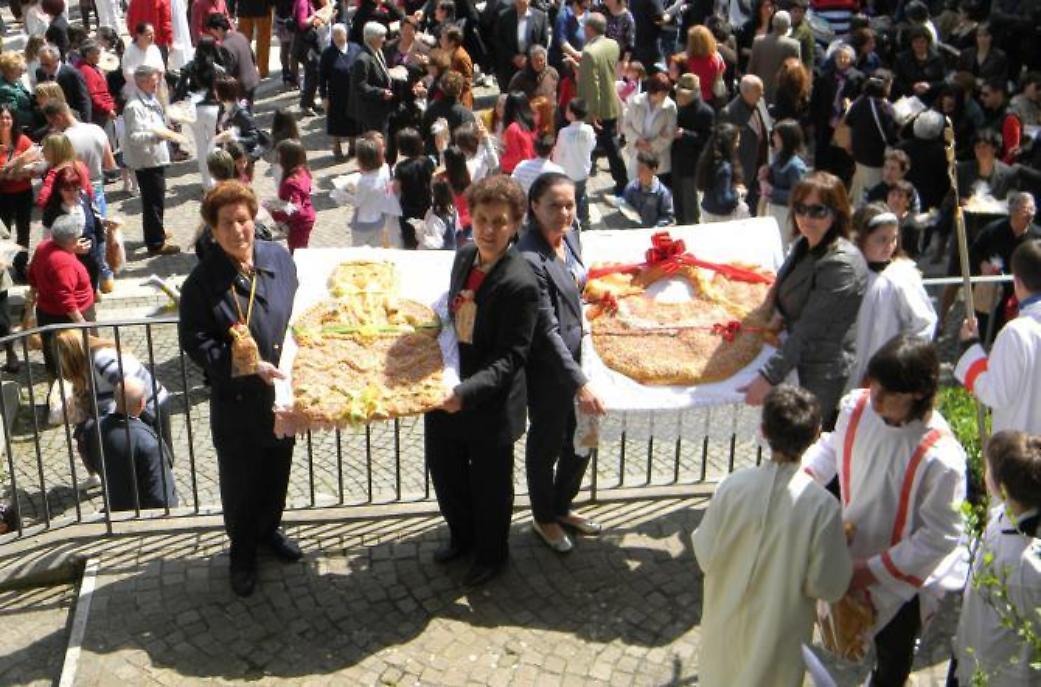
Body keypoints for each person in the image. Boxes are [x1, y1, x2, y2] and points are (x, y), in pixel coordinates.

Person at [802, 336, 967, 687]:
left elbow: (940, 535)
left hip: (900, 579)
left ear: (917, 394)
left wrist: (870, 571)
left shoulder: (941, 457)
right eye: (873, 386)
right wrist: (796, 481)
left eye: (886, 393)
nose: (873, 398)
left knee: (893, 653)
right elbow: (833, 449)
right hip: (850, 552)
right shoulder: (857, 408)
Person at [179, 182, 301, 598]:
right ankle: (242, 553)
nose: (238, 230)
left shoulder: (278, 258)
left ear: (254, 221)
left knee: (276, 473)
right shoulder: (201, 283)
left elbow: (299, 308)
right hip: (238, 404)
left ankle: (269, 532)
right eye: (227, 223)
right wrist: (245, 365)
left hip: (282, 397)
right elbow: (195, 340)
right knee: (242, 483)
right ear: (213, 229)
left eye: (244, 220)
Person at [694, 384, 852, 687]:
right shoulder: (822, 507)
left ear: (763, 430)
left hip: (724, 626)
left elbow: (705, 553)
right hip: (779, 639)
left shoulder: (731, 486)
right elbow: (828, 585)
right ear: (817, 434)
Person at [425, 174, 538, 587]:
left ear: (516, 225)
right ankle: (461, 536)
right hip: (447, 388)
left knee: (490, 487)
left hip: (488, 402)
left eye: (500, 222)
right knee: (447, 472)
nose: (489, 230)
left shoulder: (520, 283)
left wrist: (465, 393)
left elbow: (512, 357)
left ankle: (492, 554)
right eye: (483, 219)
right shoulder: (463, 255)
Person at [518, 172, 605, 554]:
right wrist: (580, 383)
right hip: (549, 369)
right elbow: (546, 329)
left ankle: (562, 503)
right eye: (554, 205)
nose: (564, 213)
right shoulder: (528, 256)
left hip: (582, 354)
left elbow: (579, 285)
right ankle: (543, 517)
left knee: (584, 436)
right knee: (547, 441)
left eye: (569, 204)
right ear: (534, 207)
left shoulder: (571, 235)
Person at [741, 171, 867, 429]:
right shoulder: (804, 244)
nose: (806, 217)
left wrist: (767, 377)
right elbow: (782, 288)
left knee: (806, 444)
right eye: (800, 208)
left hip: (820, 373)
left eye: (817, 210)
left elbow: (810, 328)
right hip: (795, 358)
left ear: (836, 212)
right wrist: (774, 315)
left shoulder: (840, 265)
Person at [951, 430, 1041, 686]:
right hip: (973, 654)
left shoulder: (1025, 568)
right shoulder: (1004, 514)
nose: (984, 471)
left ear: (1001, 486)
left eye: (988, 467)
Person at [956, 239, 1041, 434]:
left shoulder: (1017, 333)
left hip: (1022, 450)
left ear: (1017, 281)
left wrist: (970, 347)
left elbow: (995, 393)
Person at [848, 204, 936, 389]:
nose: (889, 246)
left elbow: (923, 324)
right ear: (860, 238)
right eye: (881, 239)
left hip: (885, 374)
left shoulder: (901, 277)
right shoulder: (848, 273)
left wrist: (897, 364)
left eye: (893, 239)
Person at [27, 211, 97, 378]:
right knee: (77, 358)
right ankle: (79, 391)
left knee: (54, 357)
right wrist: (83, 323)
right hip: (68, 317)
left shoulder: (44, 246)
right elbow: (65, 298)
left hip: (47, 312)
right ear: (70, 240)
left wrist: (73, 250)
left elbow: (32, 273)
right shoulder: (62, 263)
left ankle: (57, 382)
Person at [122, 65, 182, 256]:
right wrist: (158, 136)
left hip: (154, 157)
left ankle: (158, 231)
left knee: (157, 198)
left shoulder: (149, 97)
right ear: (141, 82)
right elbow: (133, 137)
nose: (157, 84)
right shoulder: (134, 107)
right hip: (146, 161)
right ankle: (155, 242)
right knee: (153, 202)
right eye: (153, 81)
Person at [966, 192, 1041, 339]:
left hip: (1022, 290)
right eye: (1026, 209)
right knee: (987, 328)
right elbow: (974, 250)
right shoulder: (993, 230)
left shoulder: (1037, 236)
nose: (1030, 214)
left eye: (1033, 209)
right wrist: (983, 264)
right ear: (1014, 211)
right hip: (993, 289)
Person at [96, 380, 178, 511]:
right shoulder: (149, 445)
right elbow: (162, 499)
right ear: (142, 403)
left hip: (117, 508)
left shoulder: (98, 429)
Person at [576, 13, 627, 196]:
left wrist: (593, 114)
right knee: (612, 146)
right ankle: (621, 181)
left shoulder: (589, 52)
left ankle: (622, 182)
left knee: (610, 147)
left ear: (589, 29)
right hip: (611, 102)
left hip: (598, 110)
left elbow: (593, 86)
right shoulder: (613, 45)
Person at [845, 72, 897, 208]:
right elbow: (890, 136)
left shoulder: (859, 102)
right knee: (872, 191)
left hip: (858, 153)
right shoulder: (884, 109)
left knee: (859, 186)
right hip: (875, 157)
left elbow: (849, 122)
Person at [720, 74, 771, 212]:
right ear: (745, 92)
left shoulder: (759, 103)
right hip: (743, 171)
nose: (762, 94)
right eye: (758, 91)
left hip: (759, 168)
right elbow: (725, 148)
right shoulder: (730, 113)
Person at [0, 104, 38, 281]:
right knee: (4, 232)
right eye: (1, 118)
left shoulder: (22, 140)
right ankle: (4, 267)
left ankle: (21, 265)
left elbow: (37, 162)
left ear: (13, 120)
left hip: (23, 192)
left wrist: (21, 170)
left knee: (24, 230)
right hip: (3, 194)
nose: (4, 121)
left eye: (7, 117)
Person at [621, 72, 677, 187]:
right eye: (663, 93)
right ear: (653, 92)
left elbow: (670, 132)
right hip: (637, 153)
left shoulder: (670, 107)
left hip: (657, 157)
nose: (665, 96)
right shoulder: (636, 102)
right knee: (634, 188)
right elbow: (626, 125)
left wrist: (651, 146)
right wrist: (637, 140)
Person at [758, 118, 806, 249]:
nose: (773, 137)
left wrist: (772, 191)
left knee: (783, 247)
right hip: (774, 210)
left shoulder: (795, 166)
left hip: (787, 214)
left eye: (776, 135)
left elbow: (797, 195)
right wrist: (767, 172)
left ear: (786, 138)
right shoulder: (778, 157)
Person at [553, 98, 597, 230]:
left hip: (568, 172)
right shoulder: (589, 129)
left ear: (572, 114)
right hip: (583, 170)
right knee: (582, 195)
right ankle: (585, 220)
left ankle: (570, 222)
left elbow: (559, 152)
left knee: (569, 198)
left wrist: (555, 166)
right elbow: (592, 146)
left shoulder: (564, 132)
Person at [319, 24, 361, 161]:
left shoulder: (355, 48)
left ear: (346, 35)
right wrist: (324, 97)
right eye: (335, 36)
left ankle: (352, 145)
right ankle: (336, 146)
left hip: (352, 93)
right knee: (336, 121)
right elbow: (321, 77)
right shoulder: (327, 54)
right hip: (335, 94)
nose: (338, 38)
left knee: (353, 119)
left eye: (341, 35)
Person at [266, 139, 315, 252]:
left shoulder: (290, 182)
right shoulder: (303, 171)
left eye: (279, 156)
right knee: (302, 248)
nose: (277, 159)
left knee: (296, 253)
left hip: (299, 223)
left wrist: (275, 213)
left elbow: (295, 209)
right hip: (307, 216)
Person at [493, 0, 549, 94]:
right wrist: (513, 57)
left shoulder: (540, 16)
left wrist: (529, 58)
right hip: (509, 67)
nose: (521, 2)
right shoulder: (503, 16)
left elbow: (543, 42)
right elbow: (498, 41)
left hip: (532, 67)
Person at [351, 22, 396, 137]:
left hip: (382, 108)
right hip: (372, 111)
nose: (384, 39)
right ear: (372, 38)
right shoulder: (362, 59)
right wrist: (381, 93)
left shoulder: (377, 51)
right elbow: (360, 86)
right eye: (381, 37)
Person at [696, 122, 747, 223]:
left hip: (707, 211)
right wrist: (738, 193)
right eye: (736, 141)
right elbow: (724, 198)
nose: (738, 144)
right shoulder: (725, 168)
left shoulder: (709, 161)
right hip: (722, 217)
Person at [205, 14, 260, 105]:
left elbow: (228, 72)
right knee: (248, 109)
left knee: (240, 114)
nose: (214, 36)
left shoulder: (225, 47)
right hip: (252, 80)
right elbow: (252, 57)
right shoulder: (240, 35)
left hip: (241, 87)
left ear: (219, 29)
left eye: (213, 32)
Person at [746, 10, 799, 104]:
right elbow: (795, 75)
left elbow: (750, 69)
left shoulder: (758, 41)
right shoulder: (794, 46)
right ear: (787, 27)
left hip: (757, 93)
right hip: (780, 98)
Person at [36, 43, 91, 124]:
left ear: (57, 60)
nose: (44, 68)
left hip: (71, 119)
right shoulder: (40, 73)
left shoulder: (72, 74)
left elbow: (83, 100)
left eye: (47, 65)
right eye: (42, 64)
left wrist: (85, 123)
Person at [622, 151, 675, 227]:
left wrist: (656, 228)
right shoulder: (631, 187)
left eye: (642, 168)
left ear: (653, 170)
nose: (638, 171)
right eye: (638, 167)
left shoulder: (663, 193)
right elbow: (625, 206)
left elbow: (667, 216)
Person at [121, 22, 166, 101]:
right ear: (139, 35)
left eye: (153, 34)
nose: (152, 37)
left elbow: (161, 67)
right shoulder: (130, 51)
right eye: (148, 34)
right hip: (137, 90)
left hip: (156, 86)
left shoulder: (154, 49)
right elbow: (127, 74)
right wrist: (146, 80)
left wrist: (159, 73)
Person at [75, 40, 116, 126]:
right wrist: (107, 109)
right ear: (88, 54)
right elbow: (93, 95)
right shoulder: (86, 71)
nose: (99, 56)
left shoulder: (90, 67)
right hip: (100, 115)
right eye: (97, 53)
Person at [498, 91, 536, 175]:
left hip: (516, 172)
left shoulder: (513, 129)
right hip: (533, 169)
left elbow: (514, 155)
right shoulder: (532, 124)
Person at [0, 52, 35, 133]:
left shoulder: (15, 80)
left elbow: (27, 95)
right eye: (19, 69)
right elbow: (15, 114)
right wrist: (36, 116)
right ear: (10, 71)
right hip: (20, 128)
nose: (22, 71)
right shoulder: (5, 89)